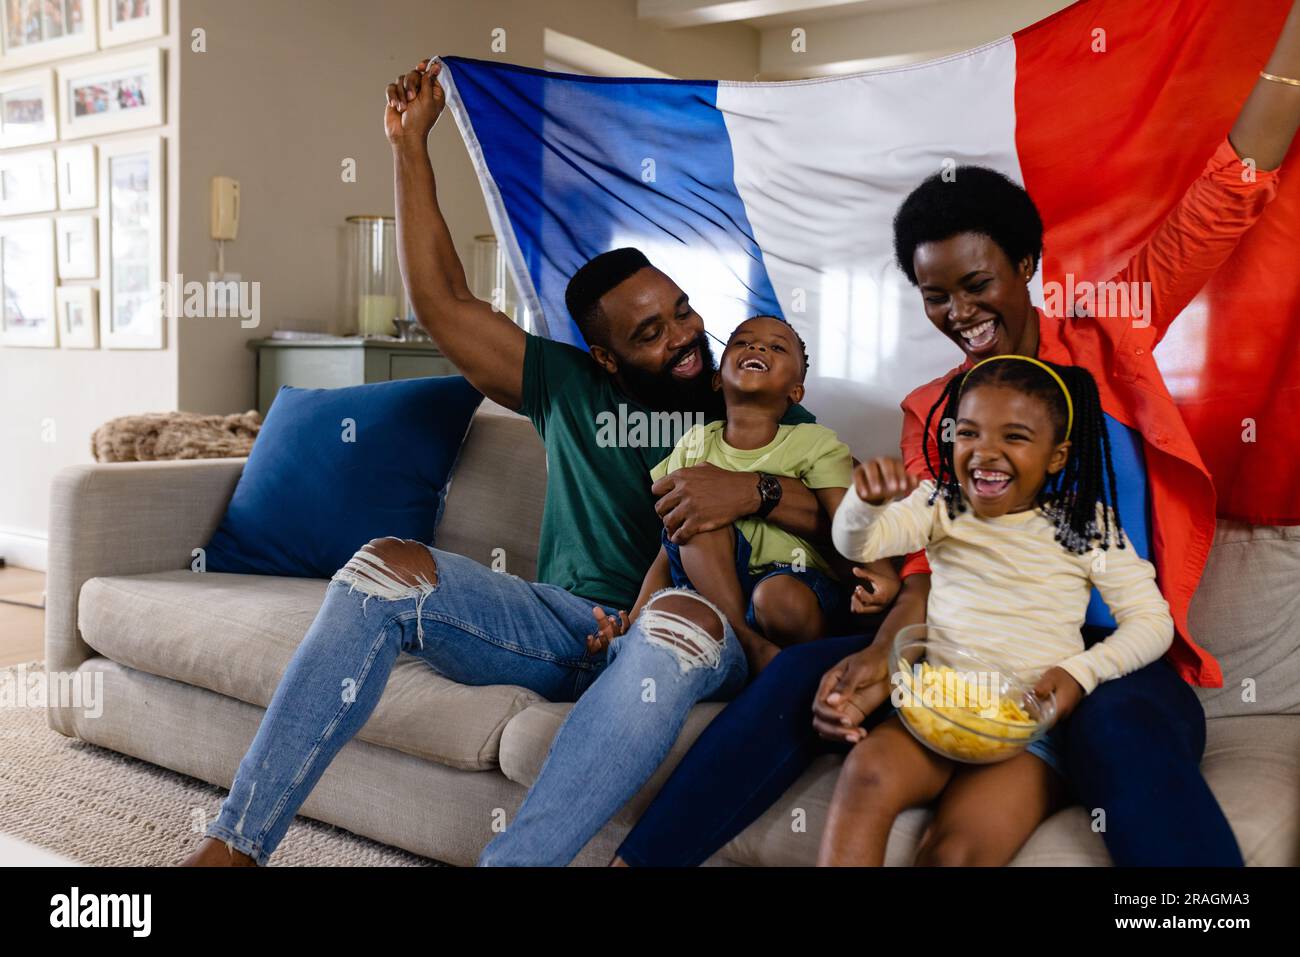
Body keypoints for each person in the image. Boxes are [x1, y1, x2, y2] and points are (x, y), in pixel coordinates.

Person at [613, 4, 1298, 868]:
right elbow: (926, 566)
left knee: (1121, 733)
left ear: (1026, 266)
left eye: (977, 283)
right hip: (966, 653)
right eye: (937, 296)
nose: (960, 313)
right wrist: (879, 652)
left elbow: (1228, 195)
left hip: (1103, 656)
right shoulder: (930, 410)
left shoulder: (1104, 339)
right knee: (796, 677)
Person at [179, 58, 898, 867]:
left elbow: (848, 537)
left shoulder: (754, 402)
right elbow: (444, 304)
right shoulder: (568, 385)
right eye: (651, 333)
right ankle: (232, 849)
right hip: (563, 626)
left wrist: (756, 489)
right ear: (607, 356)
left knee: (676, 619)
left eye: (683, 311)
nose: (686, 337)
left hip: (690, 633)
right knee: (380, 568)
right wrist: (410, 145)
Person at [480, 315, 897, 865]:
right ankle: (751, 647)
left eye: (777, 347)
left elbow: (846, 528)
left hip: (793, 585)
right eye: (743, 343)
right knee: (696, 504)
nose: (756, 348)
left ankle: (768, 655)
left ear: (796, 389)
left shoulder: (815, 443)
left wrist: (875, 572)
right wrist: (633, 618)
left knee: (779, 597)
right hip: (712, 591)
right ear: (718, 380)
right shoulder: (695, 445)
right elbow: (664, 548)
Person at [820, 356, 1173, 865]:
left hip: (1025, 734)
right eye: (969, 434)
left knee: (955, 853)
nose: (986, 453)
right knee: (866, 771)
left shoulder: (1085, 525)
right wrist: (863, 505)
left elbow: (1152, 621)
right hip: (932, 713)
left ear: (1057, 456)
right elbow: (858, 543)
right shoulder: (940, 504)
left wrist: (1081, 672)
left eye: (1015, 437)